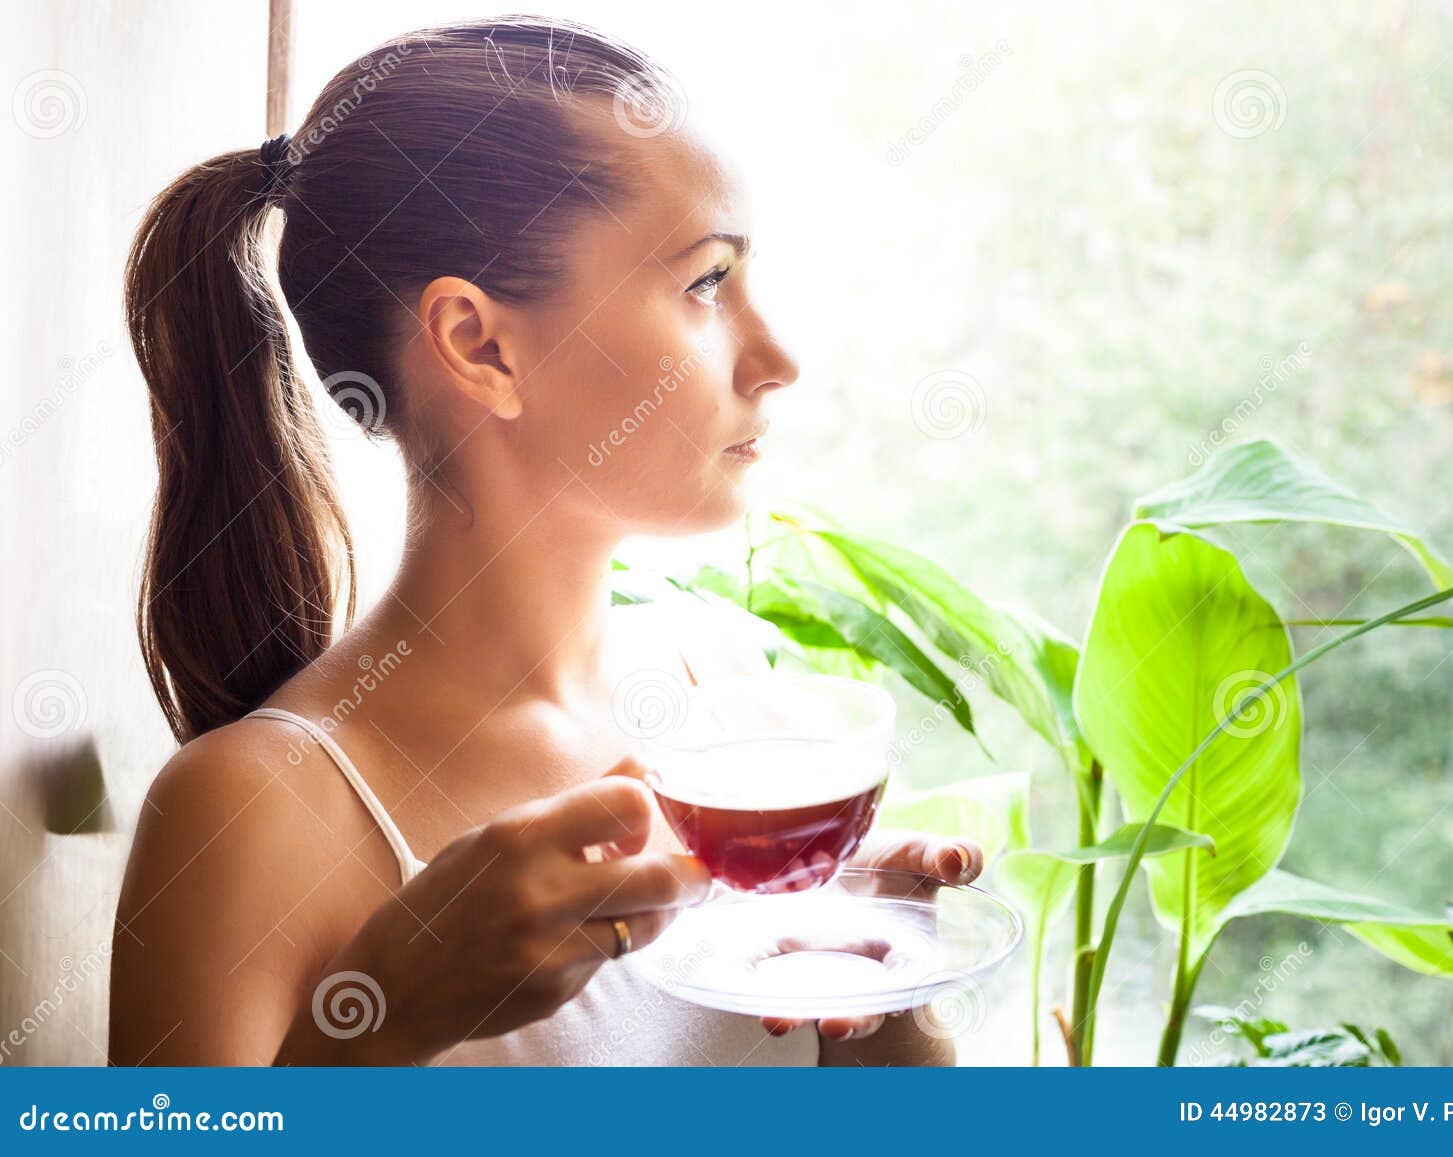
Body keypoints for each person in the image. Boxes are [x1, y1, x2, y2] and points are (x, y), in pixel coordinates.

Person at [110, 15, 982, 1067]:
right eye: (707, 283)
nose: (779, 358)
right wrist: (385, 1016)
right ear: (480, 345)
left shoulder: (720, 680)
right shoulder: (248, 813)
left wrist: (890, 984)